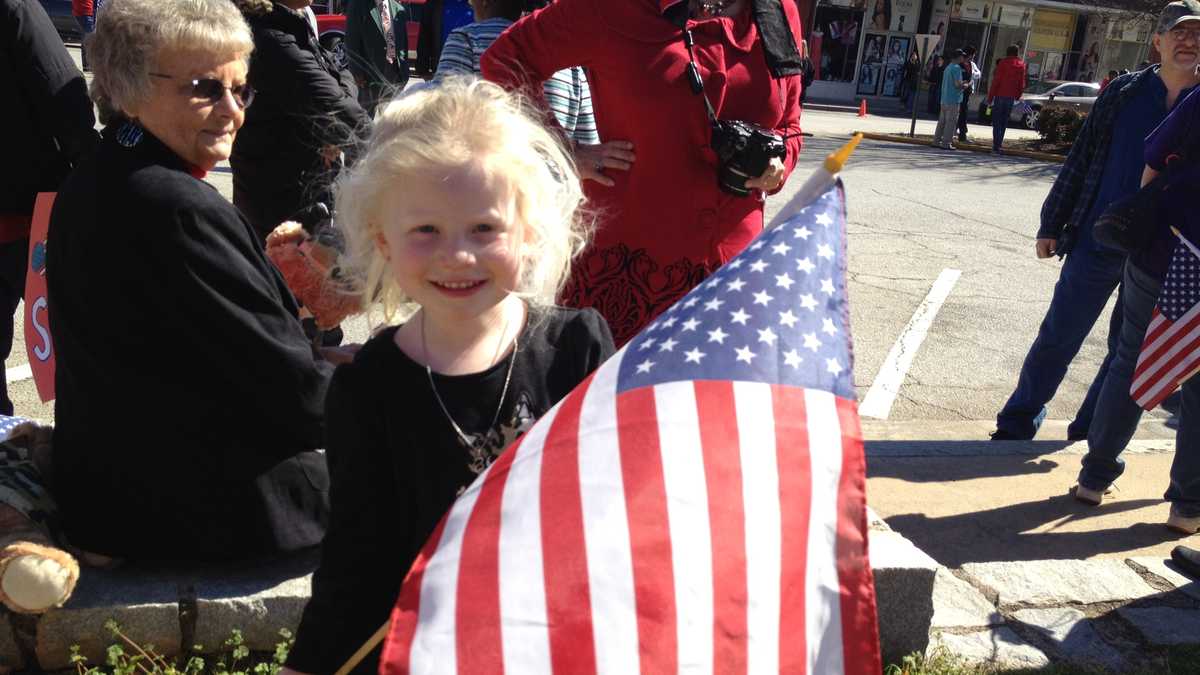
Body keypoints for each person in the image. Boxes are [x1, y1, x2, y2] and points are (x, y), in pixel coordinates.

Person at [282, 78, 615, 675]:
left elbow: (614, 516)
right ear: (384, 239)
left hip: (554, 643)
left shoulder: (576, 348)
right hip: (430, 651)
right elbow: (357, 559)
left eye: (484, 229)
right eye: (426, 231)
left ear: (529, 232)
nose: (457, 256)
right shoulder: (369, 389)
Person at [46, 0, 342, 561]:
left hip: (112, 491)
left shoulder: (104, 171)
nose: (232, 111)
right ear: (131, 89)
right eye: (205, 88)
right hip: (181, 508)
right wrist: (394, 395)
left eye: (242, 90)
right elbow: (297, 398)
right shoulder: (178, 205)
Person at [482, 0, 805, 346]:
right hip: (632, 265)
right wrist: (564, 151)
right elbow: (506, 61)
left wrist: (781, 162)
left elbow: (790, 122)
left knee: (717, 398)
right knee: (612, 394)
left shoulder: (775, 9)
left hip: (733, 269)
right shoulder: (613, 8)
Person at [992, 0, 1200, 441]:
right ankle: (1017, 422)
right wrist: (1052, 222)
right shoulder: (1122, 94)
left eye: (1198, 34)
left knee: (1124, 352)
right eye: (1179, 33)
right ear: (1157, 42)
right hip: (1096, 238)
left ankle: (1090, 431)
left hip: (1159, 253)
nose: (1189, 42)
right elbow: (1082, 160)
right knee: (1059, 334)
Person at [1074, 24, 1200, 530]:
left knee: (1129, 357)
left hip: (1165, 246)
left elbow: (1151, 166)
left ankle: (1094, 478)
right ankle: (1187, 506)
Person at [1, 0, 99, 417]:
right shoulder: (14, 8)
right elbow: (64, 92)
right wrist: (97, 170)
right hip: (32, 213)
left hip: (27, 206)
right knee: (77, 341)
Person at [230, 0, 371, 241]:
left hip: (302, 192)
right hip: (281, 202)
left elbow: (339, 73)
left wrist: (329, 128)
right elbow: (336, 106)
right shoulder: (269, 35)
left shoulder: (288, 23)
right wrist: (392, 144)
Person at [434, 0, 599, 146]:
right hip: (549, 178)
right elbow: (588, 143)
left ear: (485, 2)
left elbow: (436, 119)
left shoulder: (466, 39)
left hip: (483, 178)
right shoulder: (570, 63)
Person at [344, 0, 409, 115]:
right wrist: (356, 72)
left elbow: (403, 43)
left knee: (392, 121)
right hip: (369, 75)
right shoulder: (358, 5)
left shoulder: (399, 9)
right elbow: (351, 40)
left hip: (394, 74)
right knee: (365, 121)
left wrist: (404, 71)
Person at [986, 44, 1027, 154]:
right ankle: (999, 145)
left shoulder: (1003, 63)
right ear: (1017, 52)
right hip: (1011, 97)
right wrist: (1018, 95)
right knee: (1004, 122)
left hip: (999, 95)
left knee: (996, 121)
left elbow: (996, 81)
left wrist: (990, 97)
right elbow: (1021, 83)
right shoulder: (1021, 64)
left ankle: (995, 145)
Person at [933, 49, 966, 149]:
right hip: (953, 99)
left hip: (944, 99)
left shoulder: (948, 67)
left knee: (941, 122)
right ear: (959, 57)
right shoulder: (957, 68)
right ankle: (946, 143)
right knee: (950, 123)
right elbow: (957, 84)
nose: (963, 58)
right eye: (962, 56)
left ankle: (936, 141)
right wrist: (966, 84)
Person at [956, 44, 980, 142]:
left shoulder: (971, 64)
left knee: (963, 113)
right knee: (957, 113)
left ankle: (961, 134)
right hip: (958, 92)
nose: (973, 57)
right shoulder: (959, 64)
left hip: (966, 93)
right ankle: (959, 133)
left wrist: (972, 77)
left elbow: (978, 74)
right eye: (973, 55)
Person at [70, 0, 99, 71]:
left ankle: (87, 66)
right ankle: (88, 66)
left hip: (82, 12)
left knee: (86, 41)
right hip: (85, 12)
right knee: (90, 41)